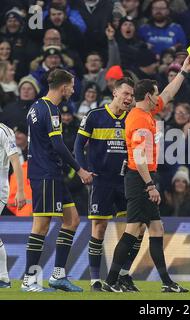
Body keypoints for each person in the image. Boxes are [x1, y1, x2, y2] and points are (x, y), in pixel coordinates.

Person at [103, 54, 190, 293]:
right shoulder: (139, 120)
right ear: (147, 97)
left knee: (155, 228)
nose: (159, 97)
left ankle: (165, 282)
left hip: (140, 178)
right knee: (133, 229)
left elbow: (168, 94)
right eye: (155, 93)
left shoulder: (145, 113)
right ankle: (112, 281)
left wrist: (184, 71)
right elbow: (141, 159)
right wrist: (150, 186)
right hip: (139, 178)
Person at [21, 69, 93, 292]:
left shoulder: (36, 106)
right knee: (40, 226)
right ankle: (29, 279)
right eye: (71, 86)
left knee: (72, 221)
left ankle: (58, 276)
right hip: (46, 174)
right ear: (63, 87)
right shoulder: (51, 111)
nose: (73, 90)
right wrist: (80, 169)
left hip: (50, 173)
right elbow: (58, 145)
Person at [74, 77, 144, 292]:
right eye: (126, 94)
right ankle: (95, 279)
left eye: (132, 95)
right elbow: (78, 145)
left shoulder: (132, 118)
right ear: (115, 92)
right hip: (102, 181)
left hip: (126, 181)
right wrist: (83, 169)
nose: (129, 98)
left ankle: (123, 274)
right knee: (99, 227)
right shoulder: (95, 116)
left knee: (138, 228)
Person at [0, 122, 26, 288]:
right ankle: (3, 278)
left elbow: (15, 161)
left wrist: (20, 190)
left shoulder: (4, 130)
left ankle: (3, 278)